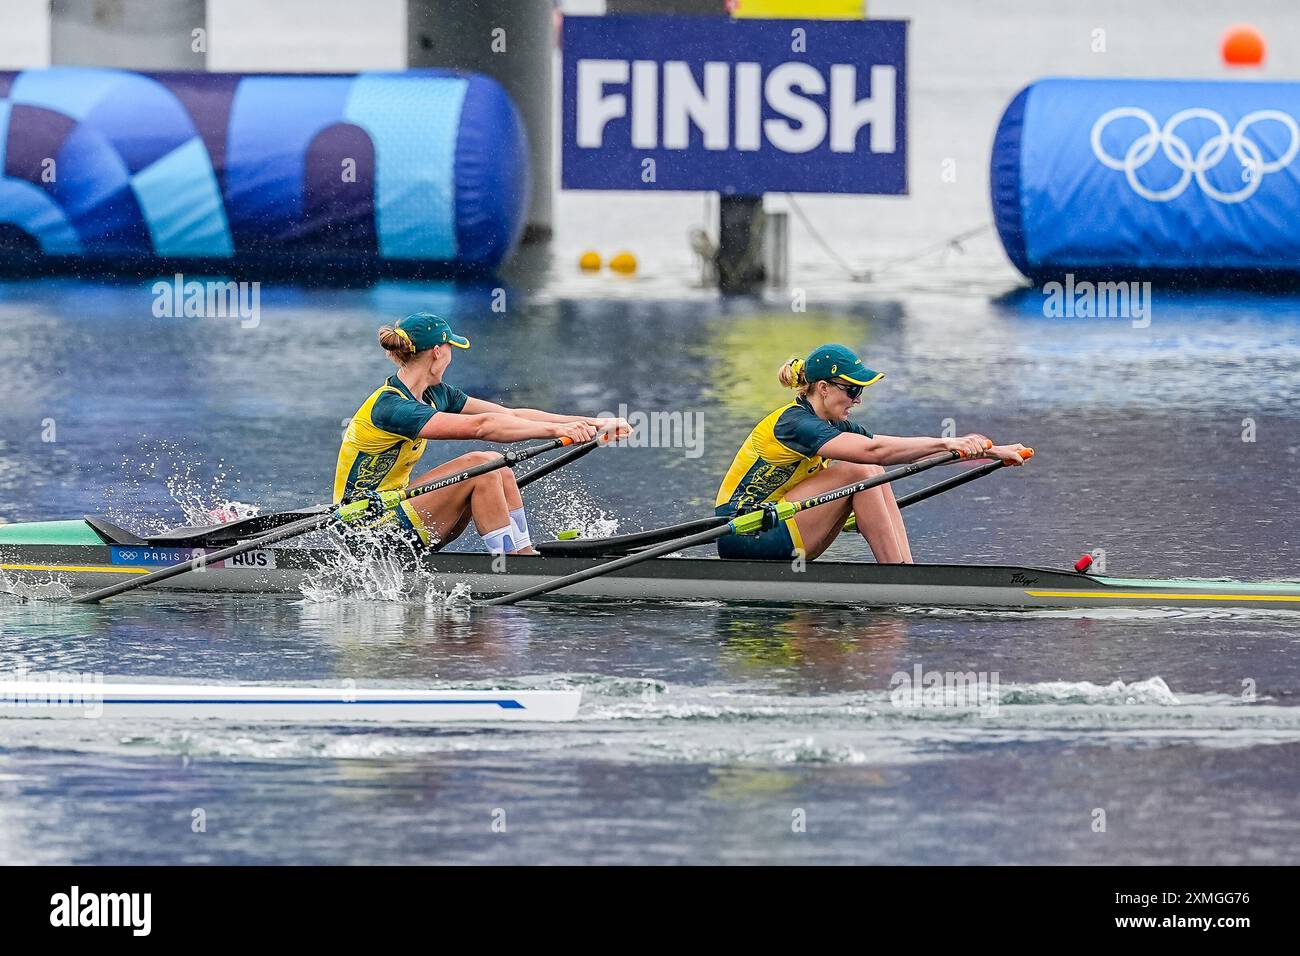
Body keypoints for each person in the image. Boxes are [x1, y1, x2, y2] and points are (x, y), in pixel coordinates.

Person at [335, 311, 627, 554]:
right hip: (367, 530)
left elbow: (511, 415)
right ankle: (510, 567)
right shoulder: (391, 406)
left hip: (396, 513)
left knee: (498, 467)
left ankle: (522, 555)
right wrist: (556, 430)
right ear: (437, 351)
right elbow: (482, 426)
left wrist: (593, 424)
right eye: (451, 349)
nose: (451, 356)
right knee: (482, 465)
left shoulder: (435, 393)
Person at [714, 343, 1028, 563]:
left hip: (778, 527)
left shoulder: (834, 423)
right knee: (861, 469)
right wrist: (948, 442)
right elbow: (874, 451)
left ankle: (904, 571)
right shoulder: (795, 423)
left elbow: (896, 450)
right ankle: (899, 579)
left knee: (872, 472)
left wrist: (990, 452)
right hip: (746, 532)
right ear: (823, 387)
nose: (858, 399)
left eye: (860, 390)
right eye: (852, 390)